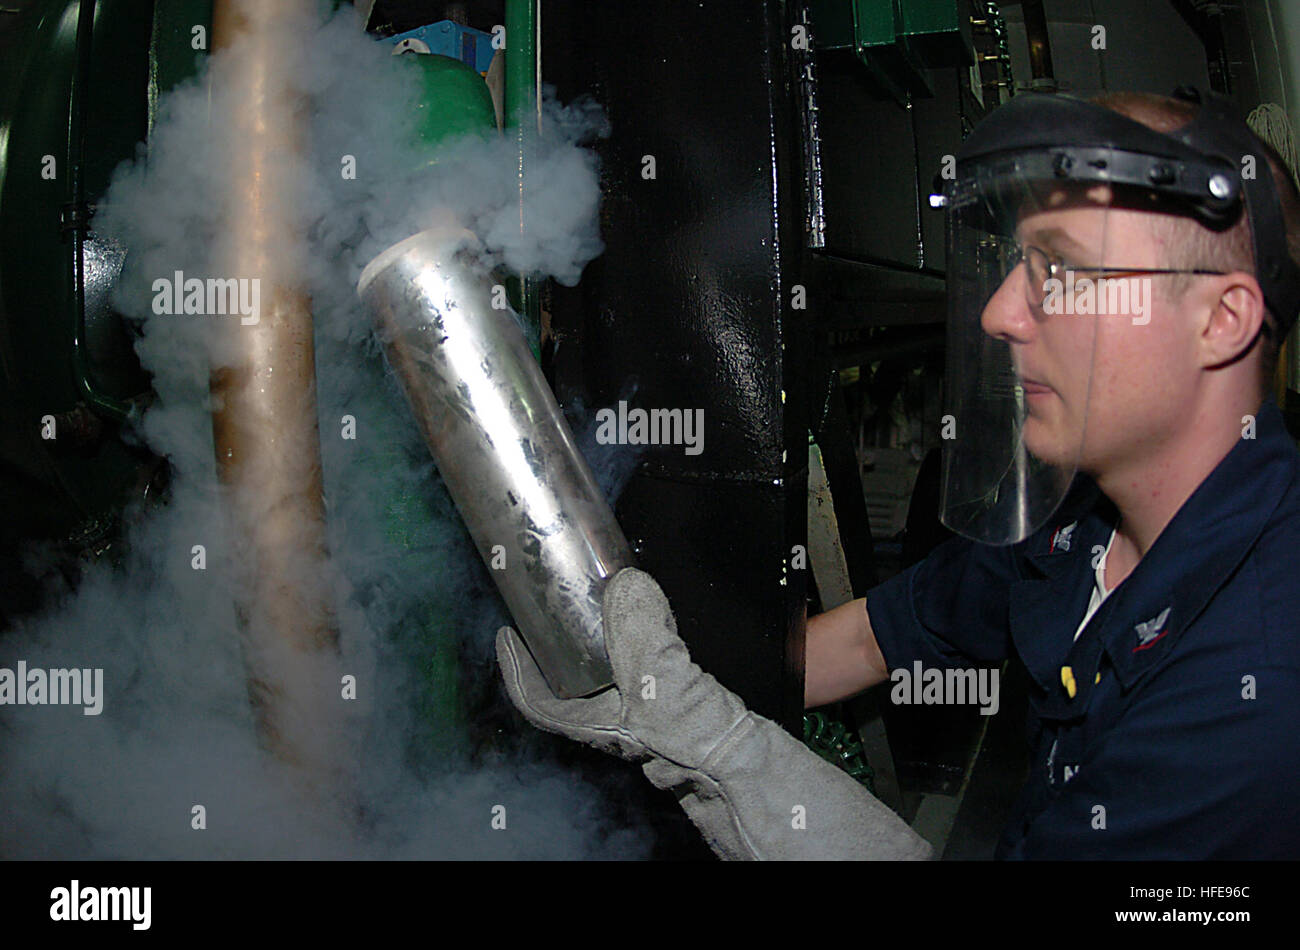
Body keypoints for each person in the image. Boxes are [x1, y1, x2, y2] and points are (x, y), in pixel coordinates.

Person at [497, 88, 1300, 859]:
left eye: (1061, 271)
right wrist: (659, 698)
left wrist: (720, 754)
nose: (1000, 313)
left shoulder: (1253, 707)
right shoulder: (1082, 521)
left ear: (1220, 321)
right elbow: (878, 638)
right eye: (1019, 266)